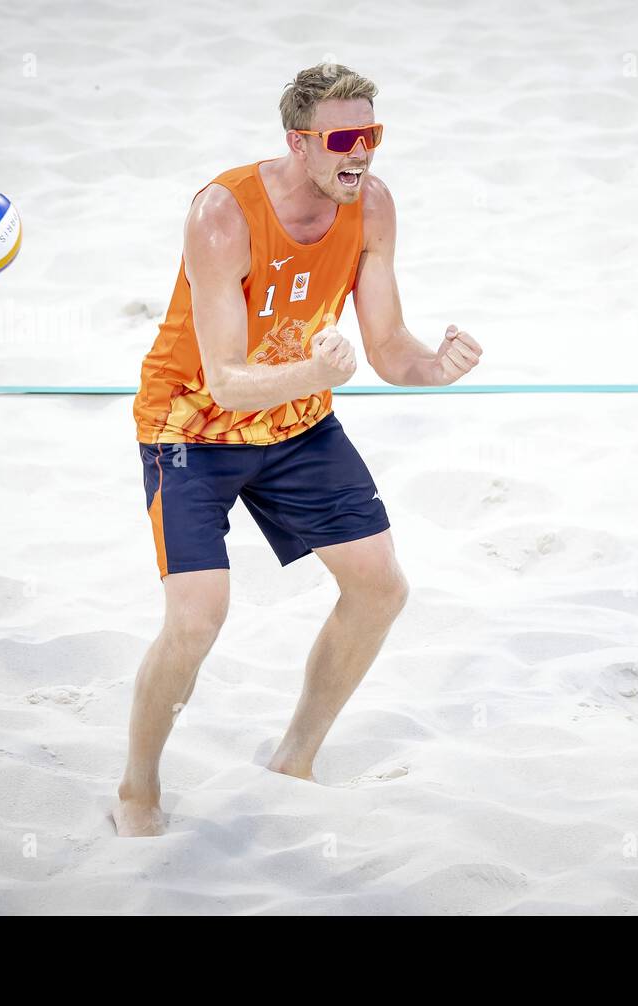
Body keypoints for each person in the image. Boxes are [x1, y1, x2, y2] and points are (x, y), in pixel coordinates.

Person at [117, 63, 483, 837]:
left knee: (380, 587)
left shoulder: (373, 205)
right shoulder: (222, 214)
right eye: (346, 138)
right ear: (298, 141)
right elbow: (224, 381)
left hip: (295, 425)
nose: (363, 154)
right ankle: (137, 790)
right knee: (196, 619)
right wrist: (316, 370)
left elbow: (387, 346)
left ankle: (296, 758)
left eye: (373, 136)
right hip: (190, 428)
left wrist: (432, 369)